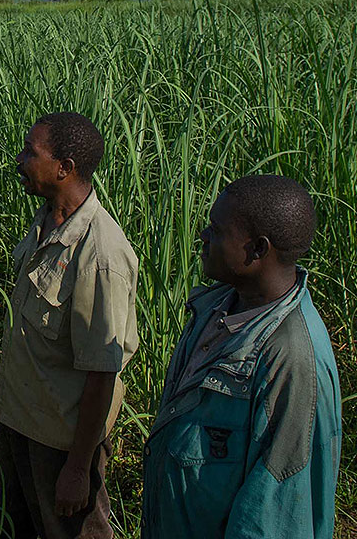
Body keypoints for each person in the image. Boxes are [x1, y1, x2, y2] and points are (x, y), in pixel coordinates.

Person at [140, 175, 341, 539]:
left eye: (216, 230)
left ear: (257, 250)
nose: (203, 235)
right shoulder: (215, 308)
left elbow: (274, 516)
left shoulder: (292, 360)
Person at [0, 112, 140, 539]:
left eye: (30, 152)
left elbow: (101, 372)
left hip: (62, 442)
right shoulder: (48, 219)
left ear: (64, 168)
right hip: (21, 421)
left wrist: (77, 468)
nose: (19, 160)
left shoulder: (101, 255)